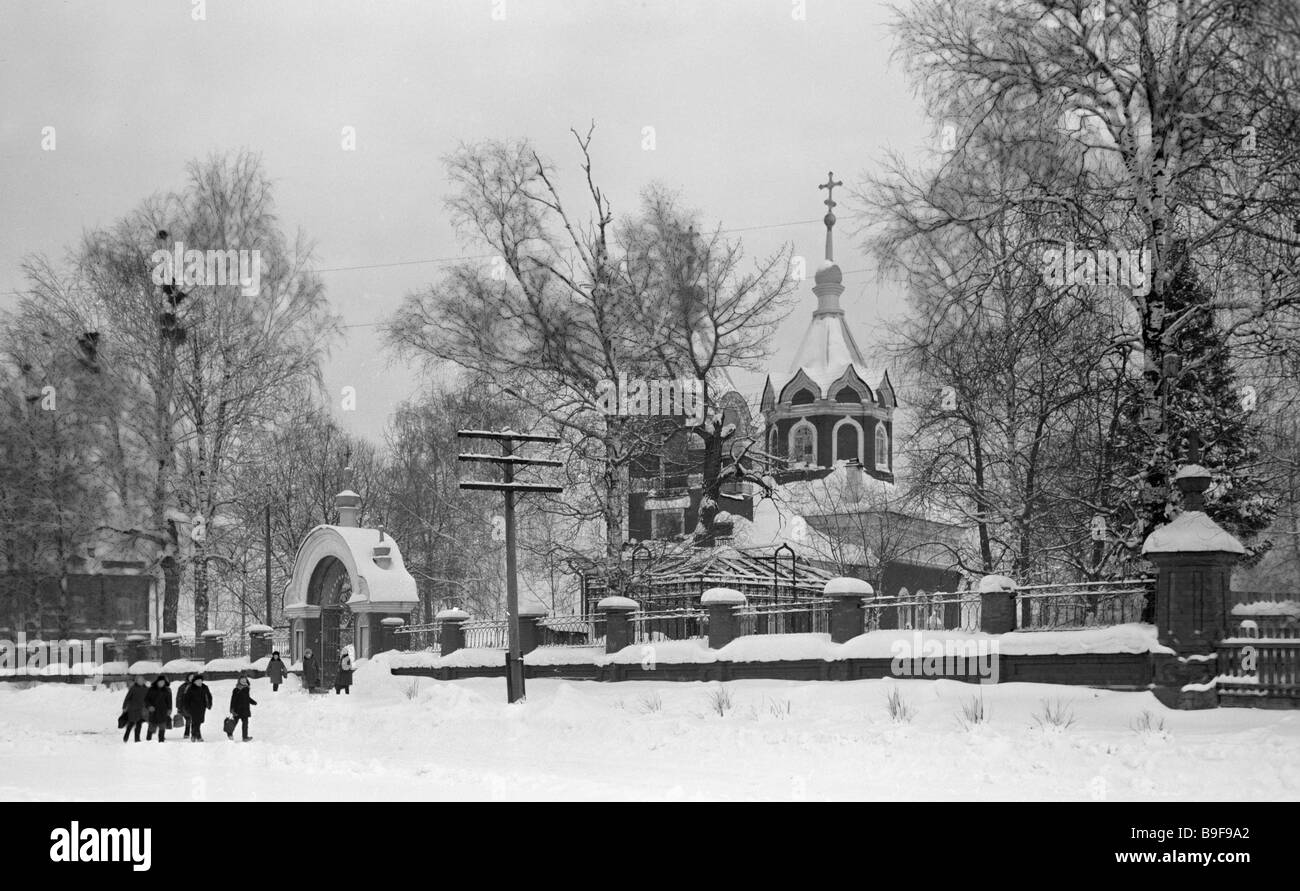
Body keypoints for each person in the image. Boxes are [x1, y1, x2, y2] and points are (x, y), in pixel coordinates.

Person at [183, 674, 213, 742]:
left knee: (197, 722)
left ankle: (193, 735)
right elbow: (186, 699)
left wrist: (209, 704)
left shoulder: (205, 687)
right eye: (198, 681)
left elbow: (209, 696)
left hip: (202, 707)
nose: (199, 682)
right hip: (193, 708)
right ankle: (198, 736)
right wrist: (187, 708)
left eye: (200, 680)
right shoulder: (190, 688)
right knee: (196, 722)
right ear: (194, 682)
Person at [227, 676, 258, 741]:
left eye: (245, 680)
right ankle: (229, 733)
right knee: (234, 723)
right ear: (239, 681)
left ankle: (245, 737)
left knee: (245, 724)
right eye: (242, 680)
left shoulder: (247, 689)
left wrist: (252, 702)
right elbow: (233, 700)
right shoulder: (236, 689)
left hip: (245, 709)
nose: (244, 681)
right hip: (237, 710)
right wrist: (232, 709)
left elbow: (247, 698)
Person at [144, 674, 173, 742]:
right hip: (153, 711)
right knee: (151, 727)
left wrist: (169, 709)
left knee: (162, 727)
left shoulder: (166, 690)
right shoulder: (151, 690)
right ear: (157, 682)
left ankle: (161, 741)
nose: (162, 683)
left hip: (163, 711)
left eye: (163, 682)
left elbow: (169, 701)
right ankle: (148, 741)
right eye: (160, 682)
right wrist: (149, 706)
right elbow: (146, 700)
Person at [121, 675, 149, 743]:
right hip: (133, 709)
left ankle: (137, 739)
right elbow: (127, 698)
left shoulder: (146, 689)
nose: (141, 681)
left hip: (141, 709)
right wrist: (124, 707)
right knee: (131, 723)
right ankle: (126, 735)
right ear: (136, 681)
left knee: (139, 724)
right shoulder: (133, 688)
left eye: (142, 680)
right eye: (139, 680)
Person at [176, 672, 196, 739]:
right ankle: (187, 733)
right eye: (190, 677)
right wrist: (178, 707)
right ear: (188, 678)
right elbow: (179, 697)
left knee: (193, 720)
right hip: (185, 706)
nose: (192, 678)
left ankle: (192, 733)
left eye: (193, 677)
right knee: (188, 719)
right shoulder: (183, 686)